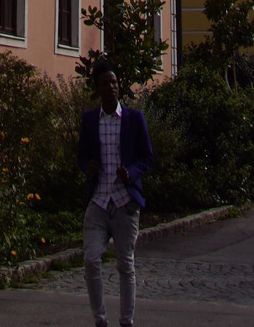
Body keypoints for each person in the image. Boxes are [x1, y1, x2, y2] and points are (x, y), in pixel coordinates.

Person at [77, 60, 153, 327]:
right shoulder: (89, 121)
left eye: (114, 82)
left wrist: (130, 172)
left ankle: (126, 320)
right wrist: (89, 167)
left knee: (126, 263)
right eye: (105, 83)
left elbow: (147, 157)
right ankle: (100, 319)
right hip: (99, 201)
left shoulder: (134, 119)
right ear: (97, 89)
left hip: (125, 202)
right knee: (91, 260)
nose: (111, 87)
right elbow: (82, 157)